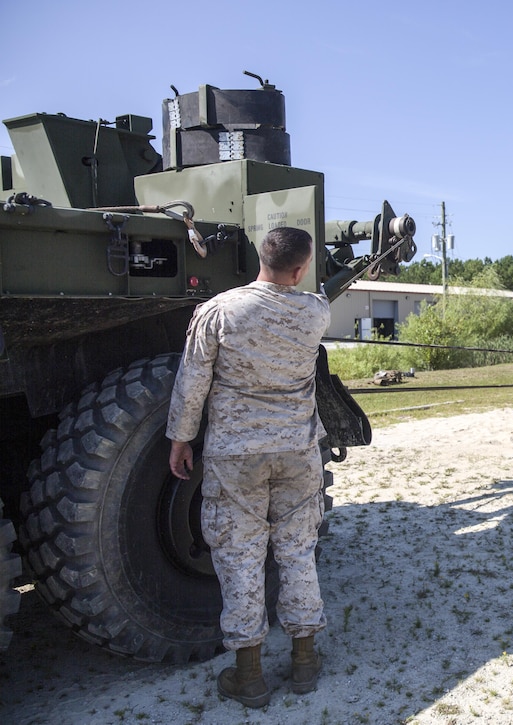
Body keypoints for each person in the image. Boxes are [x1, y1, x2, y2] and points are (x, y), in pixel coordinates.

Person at [167, 226, 331, 707]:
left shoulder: (218, 312)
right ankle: (304, 660)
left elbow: (192, 380)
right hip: (299, 453)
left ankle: (249, 674)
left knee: (240, 557)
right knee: (298, 551)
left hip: (236, 456)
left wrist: (180, 438)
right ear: (300, 269)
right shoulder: (315, 312)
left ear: (261, 257)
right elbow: (316, 300)